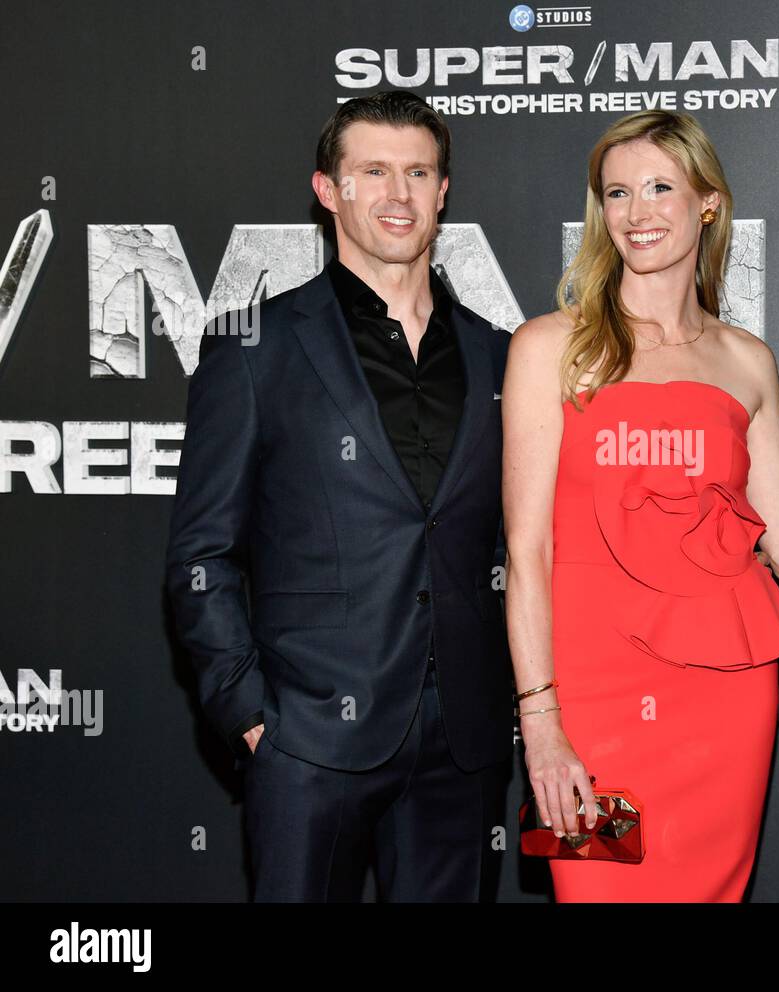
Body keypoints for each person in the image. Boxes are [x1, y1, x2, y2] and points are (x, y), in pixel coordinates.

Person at [166, 91, 513, 901]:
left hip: (462, 741)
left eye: (418, 172)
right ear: (329, 189)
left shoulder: (499, 355)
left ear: (443, 190)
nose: (399, 194)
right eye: (374, 172)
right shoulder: (256, 347)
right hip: (311, 736)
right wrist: (253, 715)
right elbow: (201, 553)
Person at [502, 110, 779, 902]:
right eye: (618, 193)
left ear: (708, 202)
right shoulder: (551, 347)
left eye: (659, 188)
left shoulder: (747, 360)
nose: (637, 212)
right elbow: (527, 552)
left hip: (724, 696)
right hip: (590, 697)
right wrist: (540, 723)